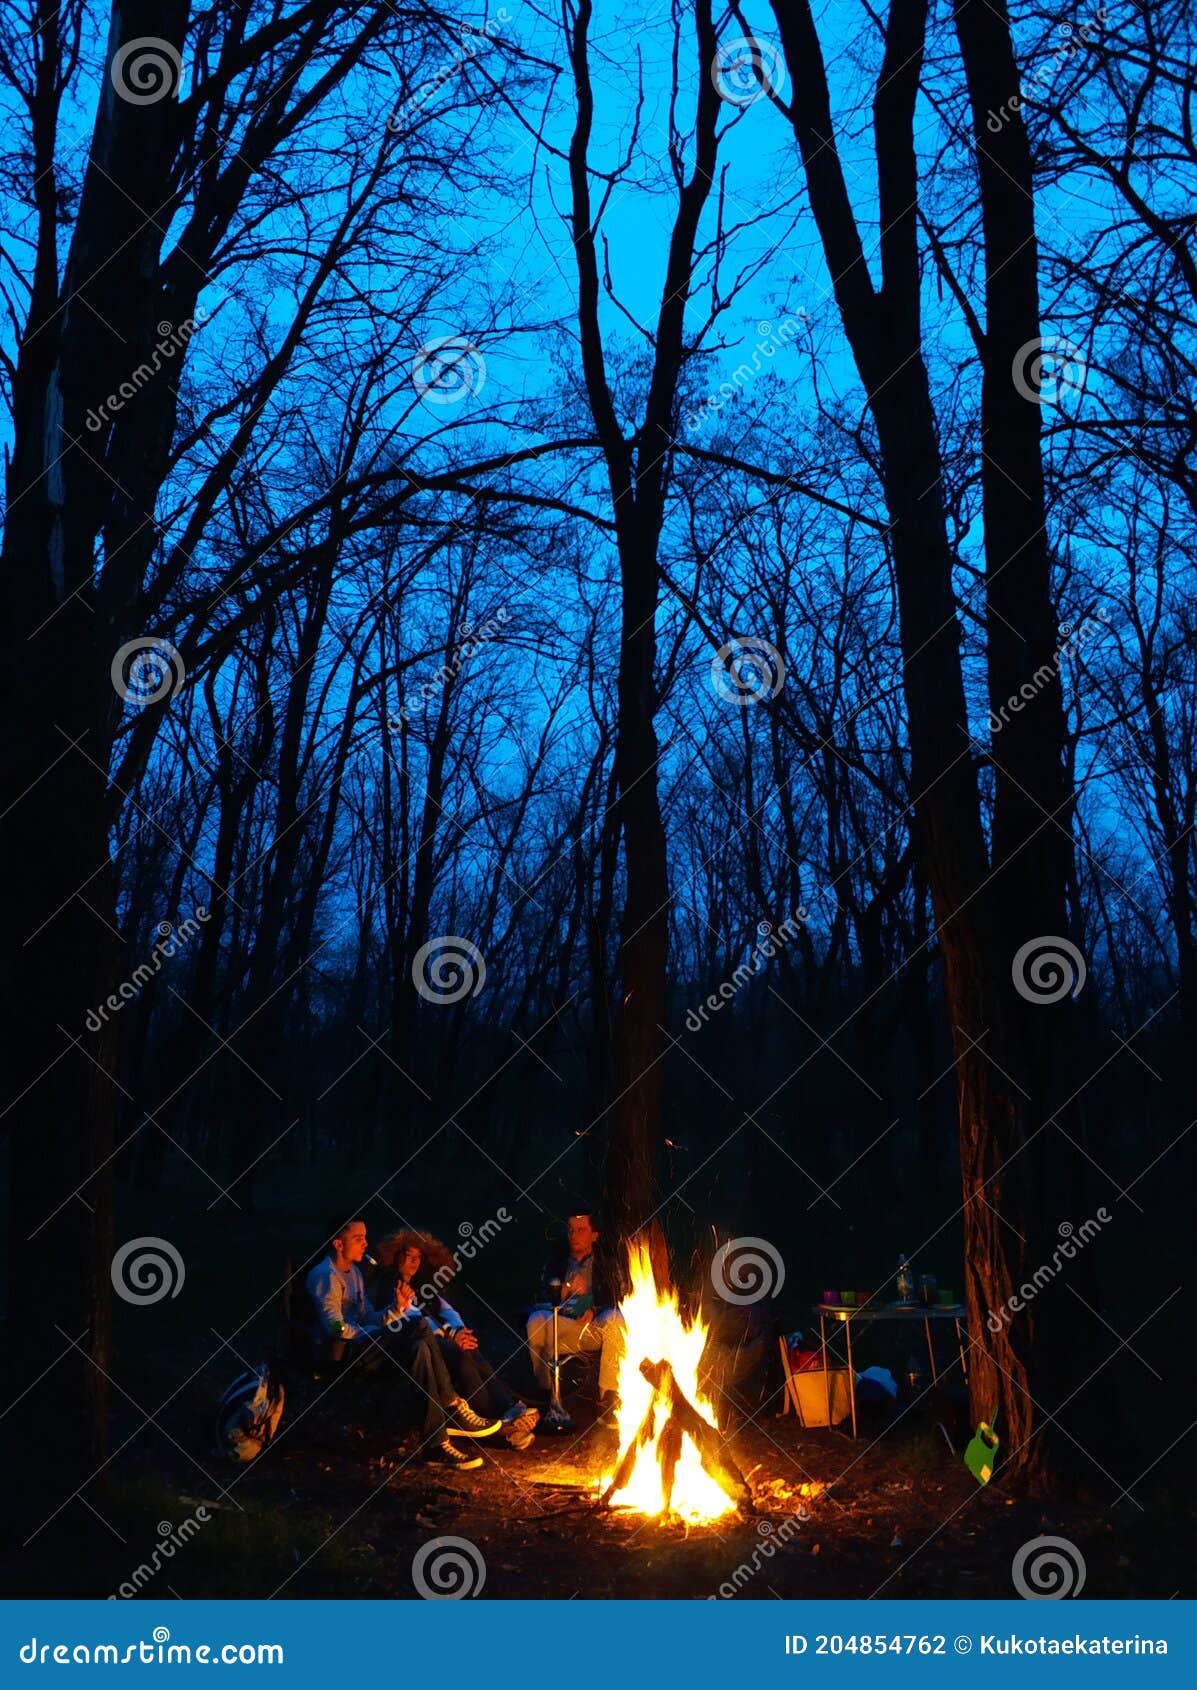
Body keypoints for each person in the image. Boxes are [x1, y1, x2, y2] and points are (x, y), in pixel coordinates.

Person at [305, 1217, 501, 1469]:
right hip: (349, 1353)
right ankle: (452, 1402)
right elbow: (333, 1327)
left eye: (365, 1237)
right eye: (357, 1238)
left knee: (419, 1348)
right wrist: (372, 1335)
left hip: (368, 1344)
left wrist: (396, 1308)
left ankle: (436, 1445)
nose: (365, 1243)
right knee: (417, 1324)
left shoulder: (353, 1273)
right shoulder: (325, 1277)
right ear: (338, 1244)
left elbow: (369, 1317)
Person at [370, 1231, 539, 1450]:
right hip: (411, 1345)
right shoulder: (388, 1286)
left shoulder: (423, 1287)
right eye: (409, 1256)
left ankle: (506, 1411)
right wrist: (450, 1334)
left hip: (437, 1338)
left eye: (418, 1257)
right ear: (395, 1256)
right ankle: (500, 1427)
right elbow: (409, 1321)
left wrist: (458, 1330)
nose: (414, 1262)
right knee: (458, 1353)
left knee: (469, 1348)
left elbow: (448, 1312)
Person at [526, 1212, 624, 1423]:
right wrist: (561, 1293)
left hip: (593, 1328)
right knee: (536, 1320)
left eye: (581, 1230)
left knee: (615, 1318)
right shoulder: (557, 1262)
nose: (574, 1235)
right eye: (571, 1230)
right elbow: (536, 1298)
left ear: (594, 1235)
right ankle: (548, 1394)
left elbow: (619, 1297)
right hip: (564, 1325)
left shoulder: (606, 1264)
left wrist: (594, 1309)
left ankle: (608, 1397)